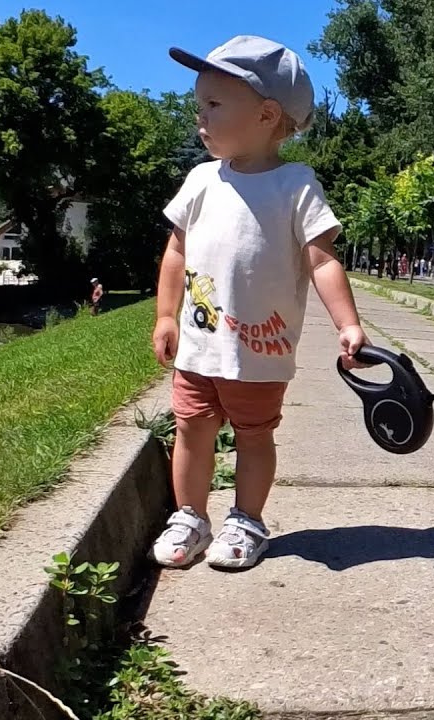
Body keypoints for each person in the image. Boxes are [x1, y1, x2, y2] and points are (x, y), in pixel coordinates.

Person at [150, 35, 371, 570]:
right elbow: (176, 251)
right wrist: (164, 313)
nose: (200, 117)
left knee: (253, 436)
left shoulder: (296, 185)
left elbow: (322, 260)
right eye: (199, 104)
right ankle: (190, 516)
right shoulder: (202, 179)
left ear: (267, 114)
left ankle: (247, 518)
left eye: (215, 105)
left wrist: (348, 324)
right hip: (200, 347)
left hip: (259, 351)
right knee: (192, 430)